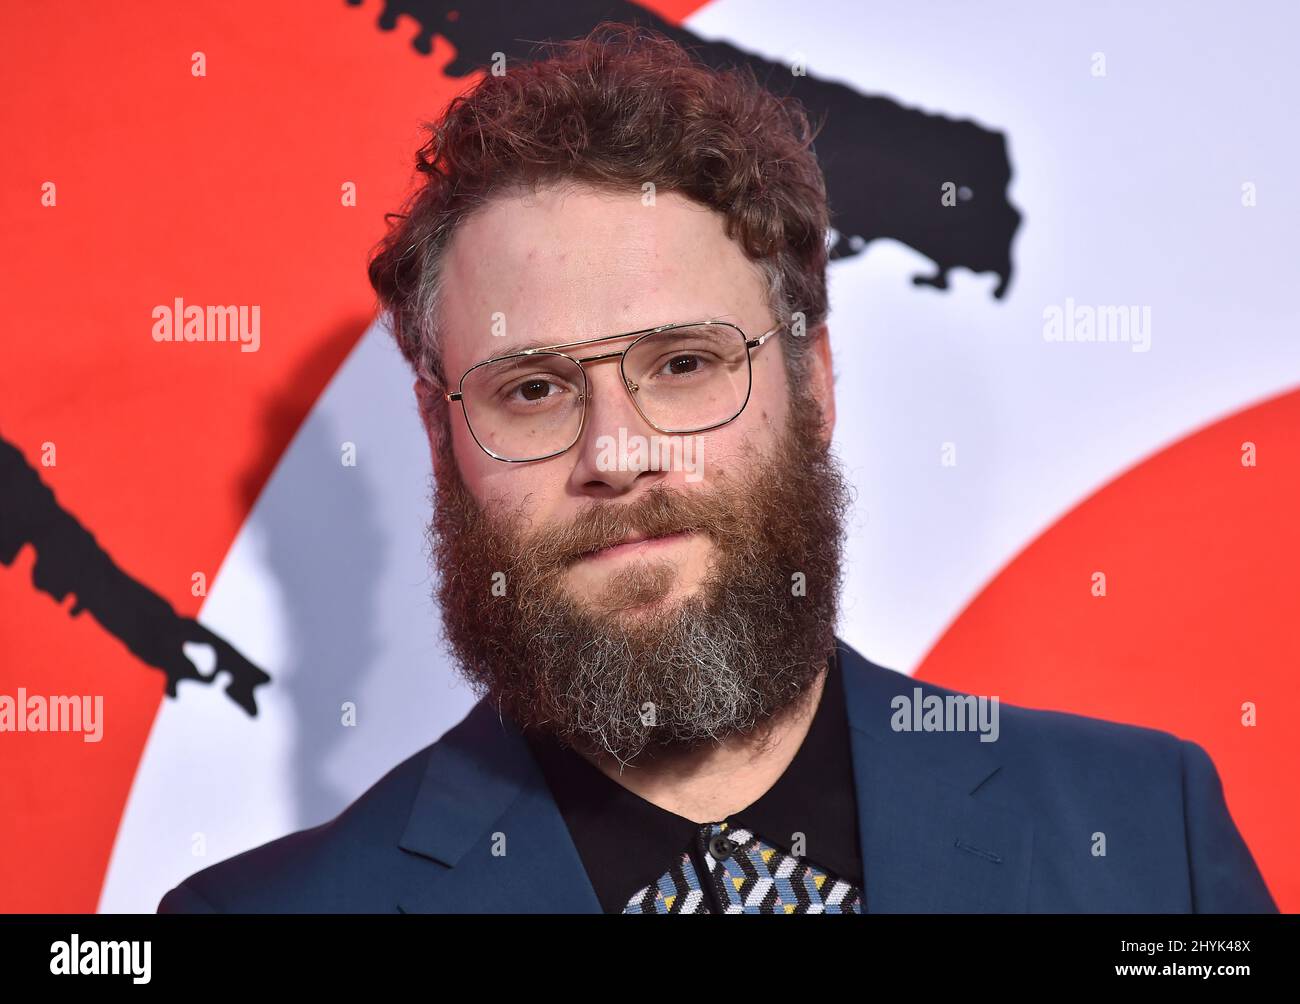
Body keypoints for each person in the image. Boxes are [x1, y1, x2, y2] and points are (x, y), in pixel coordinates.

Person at [158, 24, 1276, 914]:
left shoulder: (1143, 835)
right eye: (533, 389)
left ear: (815, 382)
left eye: (684, 363)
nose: (615, 455)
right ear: (440, 430)